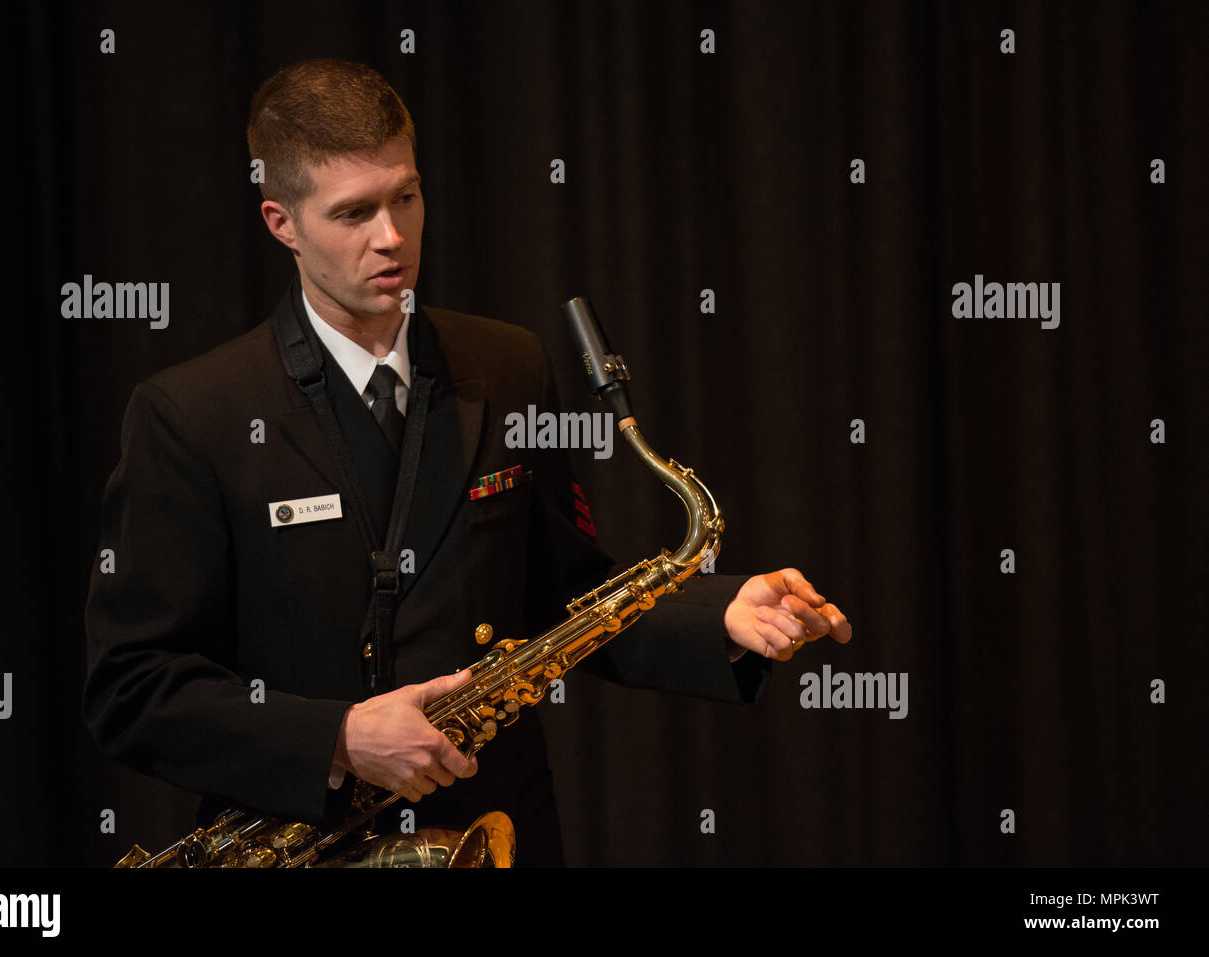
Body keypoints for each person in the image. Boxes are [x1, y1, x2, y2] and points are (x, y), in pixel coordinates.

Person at [83, 58, 852, 866]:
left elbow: (564, 594)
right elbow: (130, 687)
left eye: (406, 198)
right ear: (282, 222)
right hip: (303, 844)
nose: (392, 236)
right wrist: (337, 737)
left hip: (495, 833)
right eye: (353, 212)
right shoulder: (191, 413)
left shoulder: (510, 363)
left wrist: (719, 614)